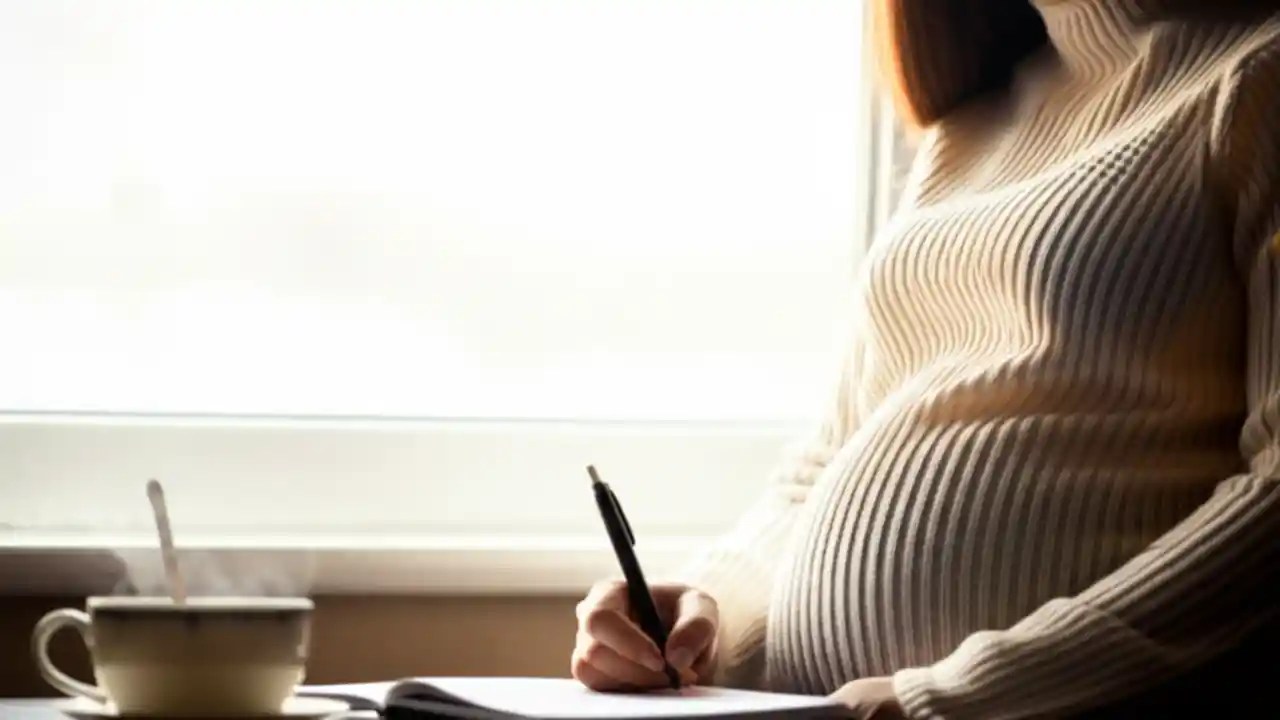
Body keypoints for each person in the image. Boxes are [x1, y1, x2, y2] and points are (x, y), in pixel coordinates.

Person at [570, 0, 1280, 717]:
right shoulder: (967, 127)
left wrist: (952, 699)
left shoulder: (1255, 79)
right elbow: (823, 466)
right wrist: (707, 608)